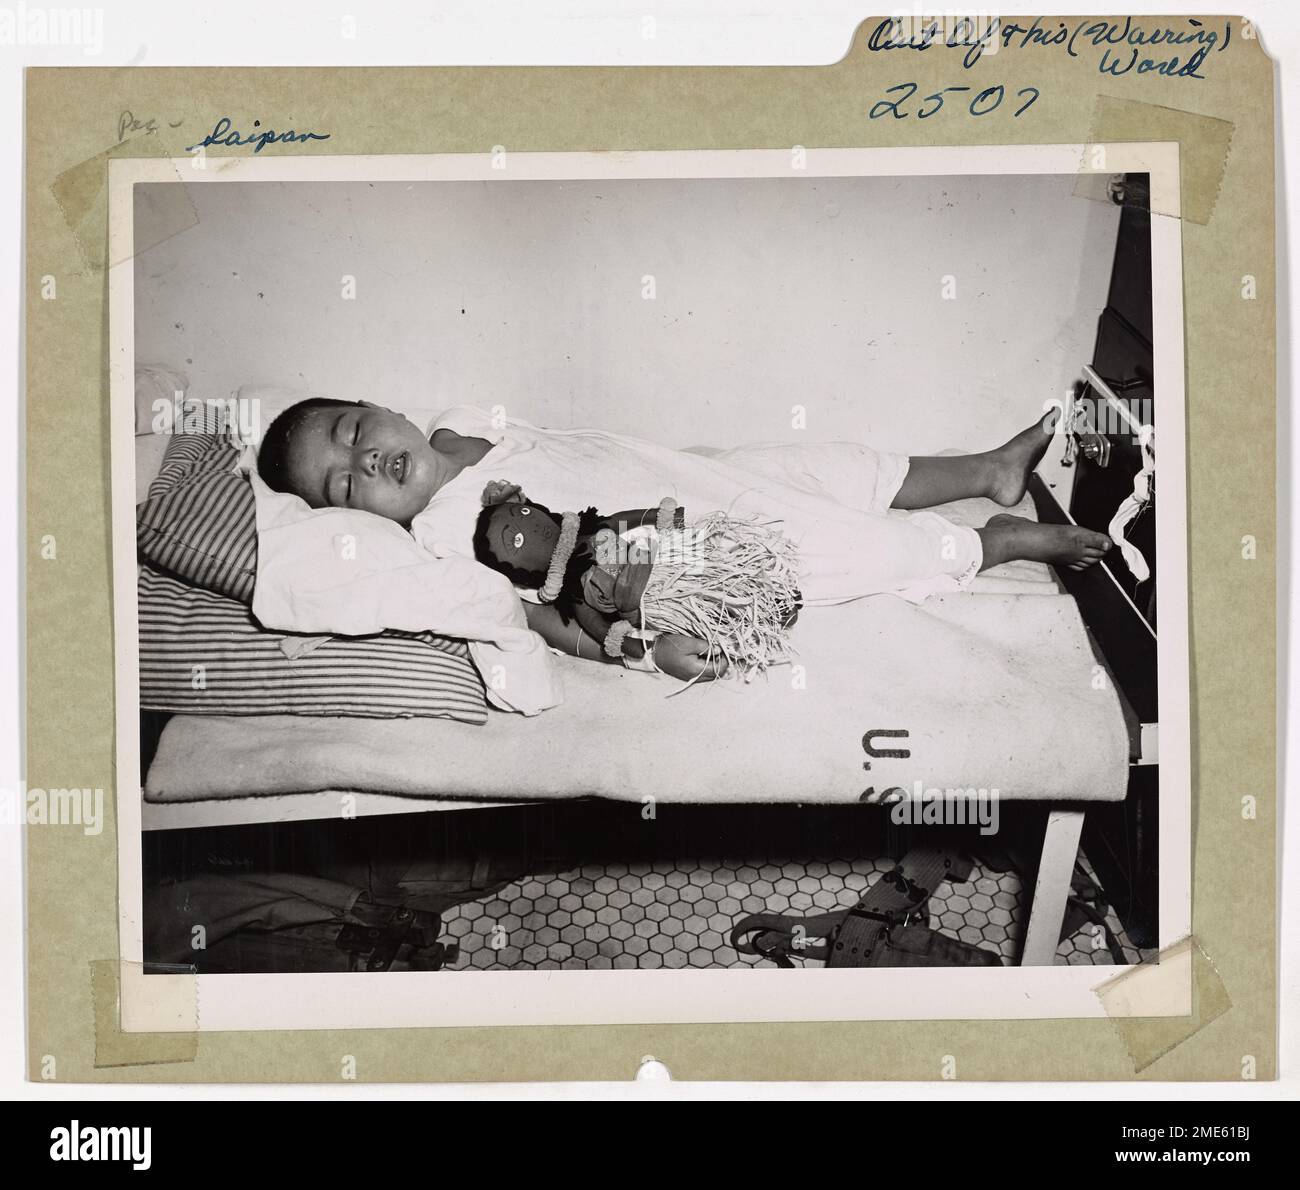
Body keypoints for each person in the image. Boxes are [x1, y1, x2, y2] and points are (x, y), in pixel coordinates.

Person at [257, 400, 1111, 683]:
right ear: (357, 518)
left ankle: (987, 470)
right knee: (854, 551)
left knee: (837, 465)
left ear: (375, 405)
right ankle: (995, 544)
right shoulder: (444, 543)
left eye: (350, 429)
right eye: (346, 482)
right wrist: (639, 650)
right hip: (701, 545)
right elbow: (546, 615)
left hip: (690, 475)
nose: (364, 456)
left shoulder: (461, 424)